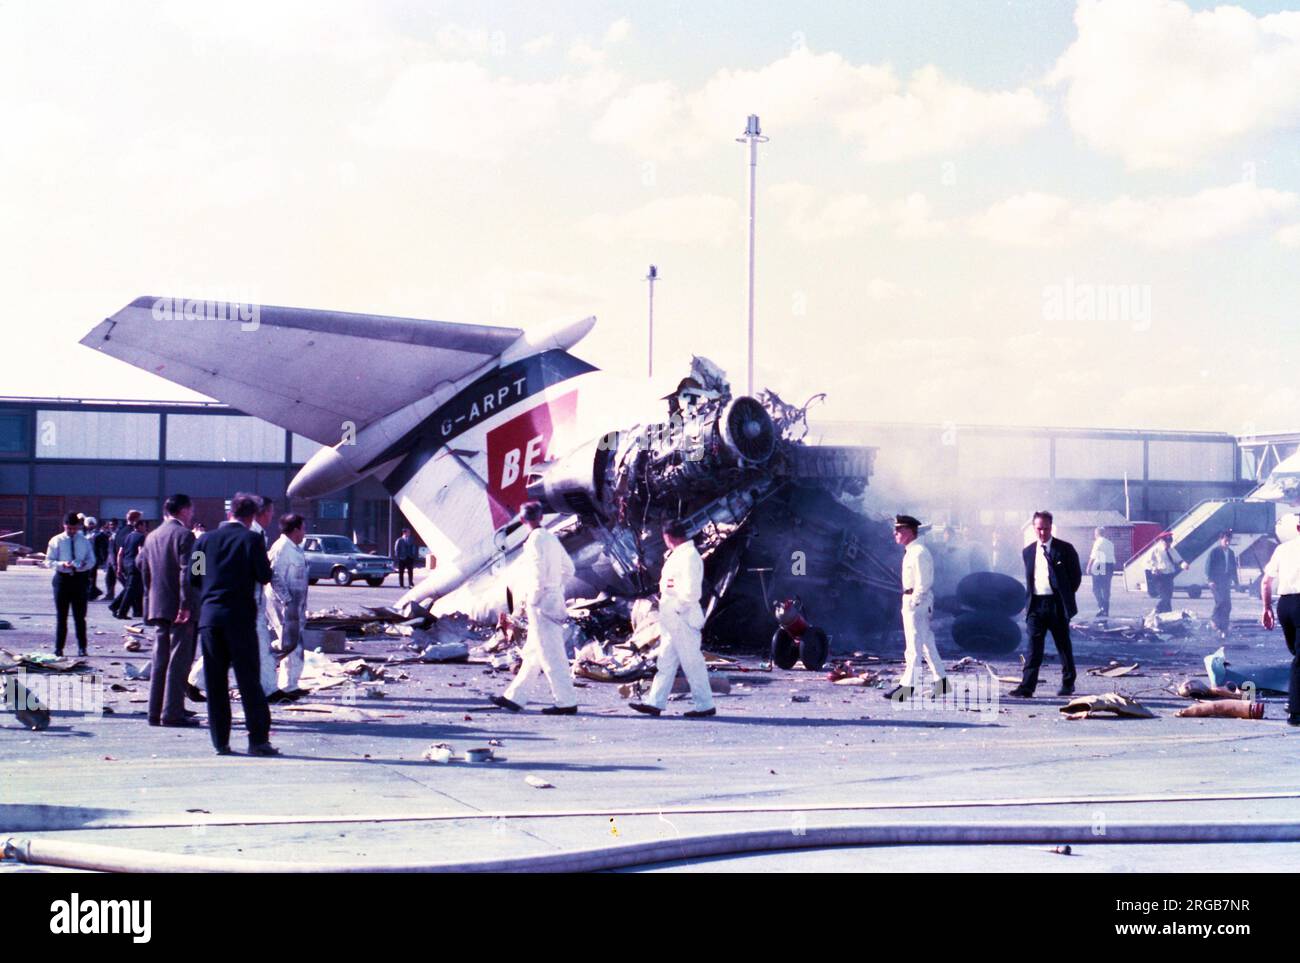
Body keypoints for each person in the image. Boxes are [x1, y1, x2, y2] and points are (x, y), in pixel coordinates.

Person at [190, 492, 278, 756]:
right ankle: (258, 741)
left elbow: (193, 576)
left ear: (230, 513)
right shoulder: (252, 540)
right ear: (252, 517)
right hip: (240, 619)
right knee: (249, 681)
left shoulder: (203, 540)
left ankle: (220, 741)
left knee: (215, 683)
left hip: (210, 619)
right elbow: (264, 575)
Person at [490, 501, 579, 715]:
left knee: (551, 654)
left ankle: (566, 701)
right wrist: (556, 588)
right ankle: (515, 697)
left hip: (540, 603)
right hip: (553, 598)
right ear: (540, 517)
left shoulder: (534, 540)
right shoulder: (551, 538)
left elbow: (538, 574)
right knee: (533, 652)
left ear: (522, 519)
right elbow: (569, 569)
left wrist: (534, 598)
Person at [631, 519, 717, 718]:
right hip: (673, 620)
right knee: (666, 661)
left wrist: (677, 609)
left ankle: (705, 705)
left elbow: (691, 592)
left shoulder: (689, 556)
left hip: (682, 618)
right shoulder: (680, 554)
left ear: (668, 537)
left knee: (692, 663)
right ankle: (655, 702)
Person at [139, 494, 199, 727]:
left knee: (160, 660)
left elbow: (143, 569)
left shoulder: (151, 536)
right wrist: (187, 604)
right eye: (190, 510)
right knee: (179, 661)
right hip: (180, 608)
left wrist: (148, 604)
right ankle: (172, 712)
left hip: (159, 606)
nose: (192, 514)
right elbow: (193, 573)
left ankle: (155, 711)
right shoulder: (186, 536)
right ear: (183, 510)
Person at [1009, 510, 1081, 698]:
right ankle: (1027, 687)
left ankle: (1068, 683)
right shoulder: (1028, 552)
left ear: (1051, 527)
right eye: (1039, 529)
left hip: (1057, 605)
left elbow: (1075, 577)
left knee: (1063, 645)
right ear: (1034, 528)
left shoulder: (1065, 549)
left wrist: (1064, 596)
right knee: (1033, 647)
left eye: (1046, 529)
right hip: (1036, 605)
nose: (1042, 532)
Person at [884, 514, 949, 701]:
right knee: (927, 644)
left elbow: (924, 582)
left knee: (913, 647)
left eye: (899, 529)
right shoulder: (913, 551)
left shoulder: (919, 552)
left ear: (910, 531)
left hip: (917, 601)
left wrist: (915, 602)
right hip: (914, 599)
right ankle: (941, 682)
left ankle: (907, 688)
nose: (895, 533)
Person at [266, 513, 310, 702]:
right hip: (283, 605)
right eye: (303, 528)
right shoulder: (281, 548)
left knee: (294, 643)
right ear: (295, 530)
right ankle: (272, 679)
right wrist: (287, 600)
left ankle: (290, 684)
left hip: (295, 605)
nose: (305, 532)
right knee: (288, 644)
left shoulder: (295, 548)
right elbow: (274, 576)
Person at [1261, 522, 1300, 727]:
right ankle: (1296, 711)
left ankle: (1295, 699)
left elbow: (1266, 582)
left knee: (1296, 653)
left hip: (1284, 605)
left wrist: (1266, 608)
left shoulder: (1282, 549)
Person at [44, 511, 95, 656]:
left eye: (74, 528)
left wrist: (84, 565)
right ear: (64, 525)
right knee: (62, 616)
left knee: (80, 617)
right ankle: (59, 648)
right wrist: (62, 564)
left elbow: (92, 560)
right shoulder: (56, 540)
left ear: (78, 526)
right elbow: (48, 561)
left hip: (79, 580)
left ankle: (82, 648)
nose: (72, 531)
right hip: (62, 580)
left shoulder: (84, 541)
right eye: (69, 528)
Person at [110, 517, 148, 619]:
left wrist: (119, 567)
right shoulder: (141, 537)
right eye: (144, 526)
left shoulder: (128, 536)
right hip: (135, 565)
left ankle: (115, 605)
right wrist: (144, 565)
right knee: (131, 590)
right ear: (139, 526)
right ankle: (122, 612)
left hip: (126, 564)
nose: (145, 528)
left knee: (130, 587)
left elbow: (120, 553)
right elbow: (141, 552)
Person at [1206, 530, 1239, 639]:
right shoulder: (1214, 552)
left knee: (1228, 605)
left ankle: (1224, 626)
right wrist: (1210, 580)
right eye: (1226, 540)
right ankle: (1214, 620)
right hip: (1215, 582)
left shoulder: (1231, 553)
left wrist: (1236, 582)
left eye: (1229, 540)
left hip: (1226, 581)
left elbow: (1233, 569)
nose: (1228, 542)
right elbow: (1208, 567)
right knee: (1220, 601)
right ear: (1221, 540)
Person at [1148, 532, 1187, 614]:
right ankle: (1156, 610)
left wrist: (1184, 565)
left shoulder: (1172, 550)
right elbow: (1147, 561)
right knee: (1165, 597)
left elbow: (1179, 560)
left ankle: (1167, 614)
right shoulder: (1155, 550)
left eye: (1170, 542)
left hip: (1169, 576)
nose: (1169, 544)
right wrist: (1154, 568)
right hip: (1159, 576)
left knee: (1169, 597)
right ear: (1161, 541)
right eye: (1167, 542)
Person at [1086, 527, 1116, 618]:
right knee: (1106, 588)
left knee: (1096, 588)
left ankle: (1102, 606)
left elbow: (1093, 555)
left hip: (1099, 564)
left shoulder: (1098, 542)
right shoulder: (1110, 543)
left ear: (1097, 534)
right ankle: (1105, 610)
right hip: (1110, 565)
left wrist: (1088, 566)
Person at [101, 519, 119, 601]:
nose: (111, 526)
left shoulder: (118, 534)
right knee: (108, 578)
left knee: (119, 577)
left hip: (116, 558)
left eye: (113, 525)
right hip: (109, 559)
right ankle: (110, 594)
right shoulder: (109, 534)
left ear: (116, 525)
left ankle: (129, 592)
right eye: (110, 525)